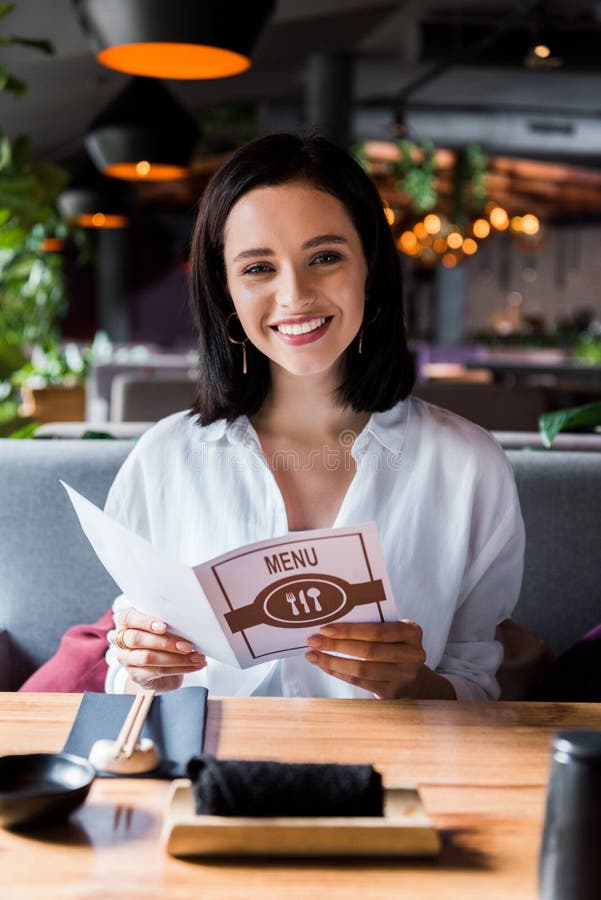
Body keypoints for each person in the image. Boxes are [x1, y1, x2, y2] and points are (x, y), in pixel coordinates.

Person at [99, 133, 524, 700]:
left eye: (324, 257)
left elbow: (478, 686)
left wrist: (416, 684)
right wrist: (141, 666)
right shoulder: (165, 459)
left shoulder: (467, 464)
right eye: (257, 268)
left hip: (388, 781)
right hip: (210, 779)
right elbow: (125, 680)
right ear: (224, 288)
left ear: (369, 266)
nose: (295, 294)